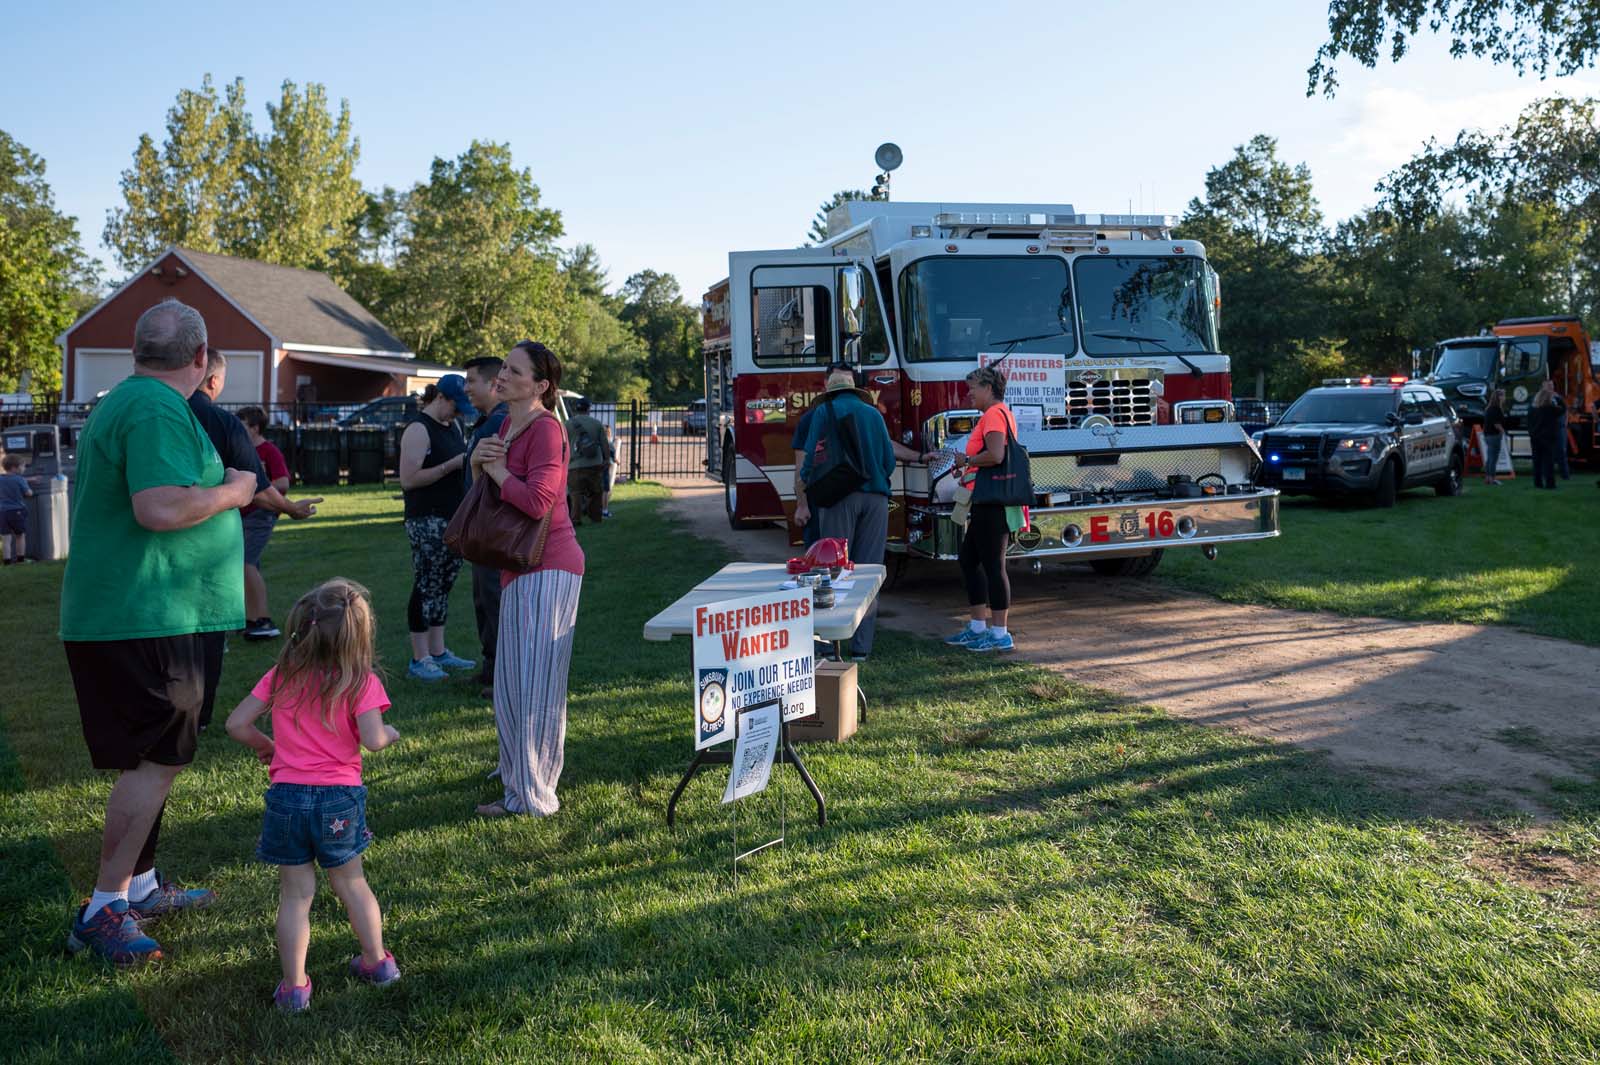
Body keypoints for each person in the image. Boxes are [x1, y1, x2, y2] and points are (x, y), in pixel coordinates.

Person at [60, 298, 258, 965]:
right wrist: (235, 491)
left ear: (135, 350)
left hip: (155, 612)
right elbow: (160, 507)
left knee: (160, 754)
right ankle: (103, 908)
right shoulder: (151, 407)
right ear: (201, 357)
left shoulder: (137, 399)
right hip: (144, 614)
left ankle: (139, 886)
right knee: (155, 757)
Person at [224, 578, 401, 1012]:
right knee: (352, 883)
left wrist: (267, 746)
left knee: (295, 895)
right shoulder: (361, 682)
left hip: (287, 798)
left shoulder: (282, 676)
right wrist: (392, 732)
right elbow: (374, 740)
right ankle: (377, 964)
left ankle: (295, 988)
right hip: (339, 800)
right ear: (358, 636)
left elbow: (236, 724)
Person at [470, 341, 584, 817]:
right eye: (503, 367)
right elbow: (491, 498)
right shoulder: (506, 425)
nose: (502, 375)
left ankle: (534, 797)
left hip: (549, 566)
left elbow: (539, 502)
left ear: (540, 385)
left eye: (514, 371)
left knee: (536, 688)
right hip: (516, 566)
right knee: (511, 685)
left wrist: (496, 470)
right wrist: (479, 465)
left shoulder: (545, 430)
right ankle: (516, 777)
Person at [189, 349, 320, 720]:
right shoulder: (221, 422)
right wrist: (291, 508)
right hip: (211, 540)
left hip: (156, 546)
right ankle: (198, 716)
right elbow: (259, 488)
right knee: (208, 626)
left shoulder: (153, 412)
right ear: (214, 379)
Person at [792, 368, 900, 660]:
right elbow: (889, 461)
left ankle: (830, 644)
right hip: (876, 498)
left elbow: (811, 458)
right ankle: (862, 648)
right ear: (854, 390)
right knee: (869, 573)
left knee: (832, 570)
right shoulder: (873, 414)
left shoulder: (823, 412)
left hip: (838, 497)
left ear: (830, 391)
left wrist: (807, 484)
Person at [398, 375, 475, 681]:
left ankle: (438, 650)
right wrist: (451, 465)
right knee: (427, 582)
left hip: (452, 517)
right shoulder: (419, 429)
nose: (457, 414)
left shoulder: (452, 426)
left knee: (444, 583)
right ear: (441, 397)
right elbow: (408, 479)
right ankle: (420, 658)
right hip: (426, 518)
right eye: (456, 407)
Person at [945, 365, 1024, 654]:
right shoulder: (998, 413)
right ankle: (978, 627)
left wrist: (967, 460)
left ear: (988, 389)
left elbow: (996, 454)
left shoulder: (993, 414)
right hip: (985, 499)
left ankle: (1000, 633)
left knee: (993, 565)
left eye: (973, 388)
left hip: (993, 502)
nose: (969, 394)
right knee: (969, 560)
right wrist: (968, 466)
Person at [462, 356, 508, 697]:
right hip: (480, 528)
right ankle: (490, 668)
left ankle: (503, 675)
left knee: (495, 601)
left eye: (471, 381)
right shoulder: (487, 422)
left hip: (493, 530)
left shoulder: (499, 424)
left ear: (494, 384)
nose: (466, 388)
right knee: (483, 599)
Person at [237, 406, 292, 638]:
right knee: (247, 565)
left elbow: (283, 483)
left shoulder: (269, 451)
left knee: (246, 563)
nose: (237, 429)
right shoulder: (241, 450)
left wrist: (257, 487)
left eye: (242, 425)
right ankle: (249, 618)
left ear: (255, 428)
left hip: (262, 514)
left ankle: (263, 620)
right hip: (242, 515)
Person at [565, 397, 608, 525]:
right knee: (595, 492)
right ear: (588, 409)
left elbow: (562, 445)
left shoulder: (567, 424)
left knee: (575, 494)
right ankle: (595, 518)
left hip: (574, 465)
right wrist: (606, 459)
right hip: (594, 464)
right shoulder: (596, 424)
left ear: (576, 409)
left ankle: (576, 519)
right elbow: (604, 444)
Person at [1527, 381, 1563, 490]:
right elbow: (1563, 408)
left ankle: (1537, 483)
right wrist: (1557, 397)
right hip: (1548, 438)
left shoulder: (1532, 409)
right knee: (1548, 461)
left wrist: (1532, 433)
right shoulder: (1551, 409)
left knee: (1537, 461)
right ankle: (1550, 483)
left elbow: (1529, 423)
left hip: (1535, 438)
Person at [0, 453, 32, 563]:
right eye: (22, 466)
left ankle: (7, 561)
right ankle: (20, 560)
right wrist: (30, 490)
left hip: (2, 511)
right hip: (17, 510)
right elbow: (28, 493)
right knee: (20, 536)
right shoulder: (19, 479)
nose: (24, 468)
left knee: (6, 538)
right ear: (14, 468)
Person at [1481, 389, 1507, 486]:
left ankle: (1488, 478)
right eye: (1503, 396)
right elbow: (1496, 424)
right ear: (1498, 397)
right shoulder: (1496, 409)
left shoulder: (1489, 408)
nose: (1504, 398)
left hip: (1488, 435)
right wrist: (1503, 432)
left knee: (1490, 457)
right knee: (1493, 458)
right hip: (1494, 435)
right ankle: (1492, 478)